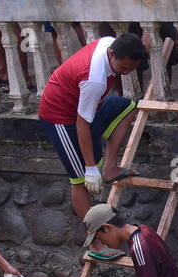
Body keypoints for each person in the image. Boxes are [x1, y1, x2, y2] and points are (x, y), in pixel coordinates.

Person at [37, 31, 146, 222]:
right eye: (123, 68)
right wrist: (90, 168)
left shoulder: (109, 42)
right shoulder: (94, 79)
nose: (126, 73)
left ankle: (110, 168)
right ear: (112, 54)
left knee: (128, 107)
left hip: (88, 107)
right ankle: (94, 240)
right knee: (80, 180)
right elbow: (82, 124)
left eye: (131, 69)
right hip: (61, 118)